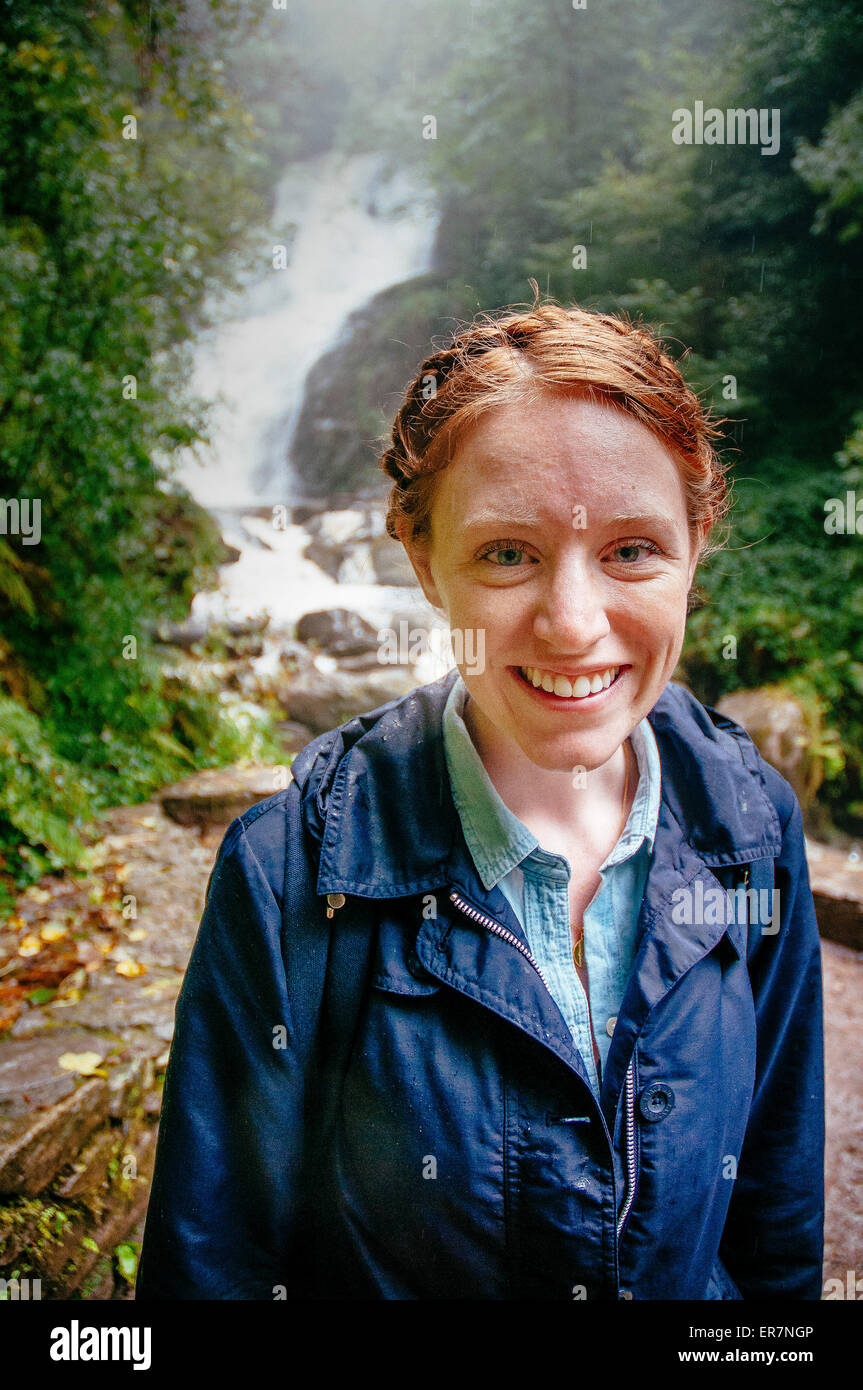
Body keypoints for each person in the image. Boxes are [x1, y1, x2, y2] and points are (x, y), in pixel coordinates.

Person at [136, 297, 824, 1301]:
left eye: (632, 549)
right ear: (423, 563)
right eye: (507, 553)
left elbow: (773, 1231)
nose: (571, 623)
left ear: (694, 544)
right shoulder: (288, 868)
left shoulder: (751, 827)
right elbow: (211, 1267)